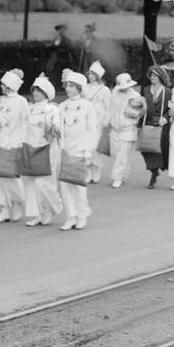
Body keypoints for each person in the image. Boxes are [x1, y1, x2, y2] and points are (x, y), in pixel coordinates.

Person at [57, 70, 99, 229]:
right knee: (65, 185)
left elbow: (92, 130)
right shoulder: (62, 106)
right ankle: (71, 216)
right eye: (67, 85)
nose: (68, 89)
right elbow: (59, 128)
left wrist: (89, 150)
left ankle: (82, 214)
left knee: (79, 185)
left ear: (79, 88)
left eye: (72, 86)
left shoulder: (87, 106)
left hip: (81, 150)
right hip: (65, 150)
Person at [20, 75, 62, 226]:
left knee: (44, 184)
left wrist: (51, 128)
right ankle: (36, 213)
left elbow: (57, 130)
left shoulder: (52, 109)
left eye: (39, 90)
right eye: (34, 90)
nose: (36, 93)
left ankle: (51, 207)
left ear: (46, 92)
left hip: (47, 149)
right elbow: (24, 128)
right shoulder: (30, 108)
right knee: (30, 183)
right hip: (30, 148)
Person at [0, 70, 29, 222]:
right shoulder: (1, 101)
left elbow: (26, 122)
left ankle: (18, 202)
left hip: (14, 143)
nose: (1, 87)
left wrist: (22, 142)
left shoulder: (21, 101)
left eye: (4, 84)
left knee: (12, 178)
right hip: (0, 142)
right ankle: (4, 209)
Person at [109, 72, 143, 188]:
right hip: (114, 128)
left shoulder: (135, 95)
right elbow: (111, 109)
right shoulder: (114, 93)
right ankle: (124, 172)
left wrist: (129, 113)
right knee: (115, 153)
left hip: (128, 128)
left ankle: (117, 177)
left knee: (122, 154)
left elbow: (137, 113)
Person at [139, 65, 171, 188]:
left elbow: (170, 108)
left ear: (160, 77)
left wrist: (166, 118)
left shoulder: (167, 92)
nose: (152, 77)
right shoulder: (146, 90)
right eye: (151, 75)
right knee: (145, 149)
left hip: (161, 124)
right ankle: (153, 170)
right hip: (147, 122)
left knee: (159, 147)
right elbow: (142, 105)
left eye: (155, 75)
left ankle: (154, 173)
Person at [83, 61, 113, 184]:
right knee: (86, 147)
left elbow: (109, 106)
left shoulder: (104, 89)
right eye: (89, 73)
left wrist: (106, 121)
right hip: (85, 122)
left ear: (98, 76)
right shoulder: (84, 87)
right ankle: (88, 170)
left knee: (95, 148)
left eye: (93, 74)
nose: (90, 76)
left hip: (98, 123)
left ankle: (97, 169)